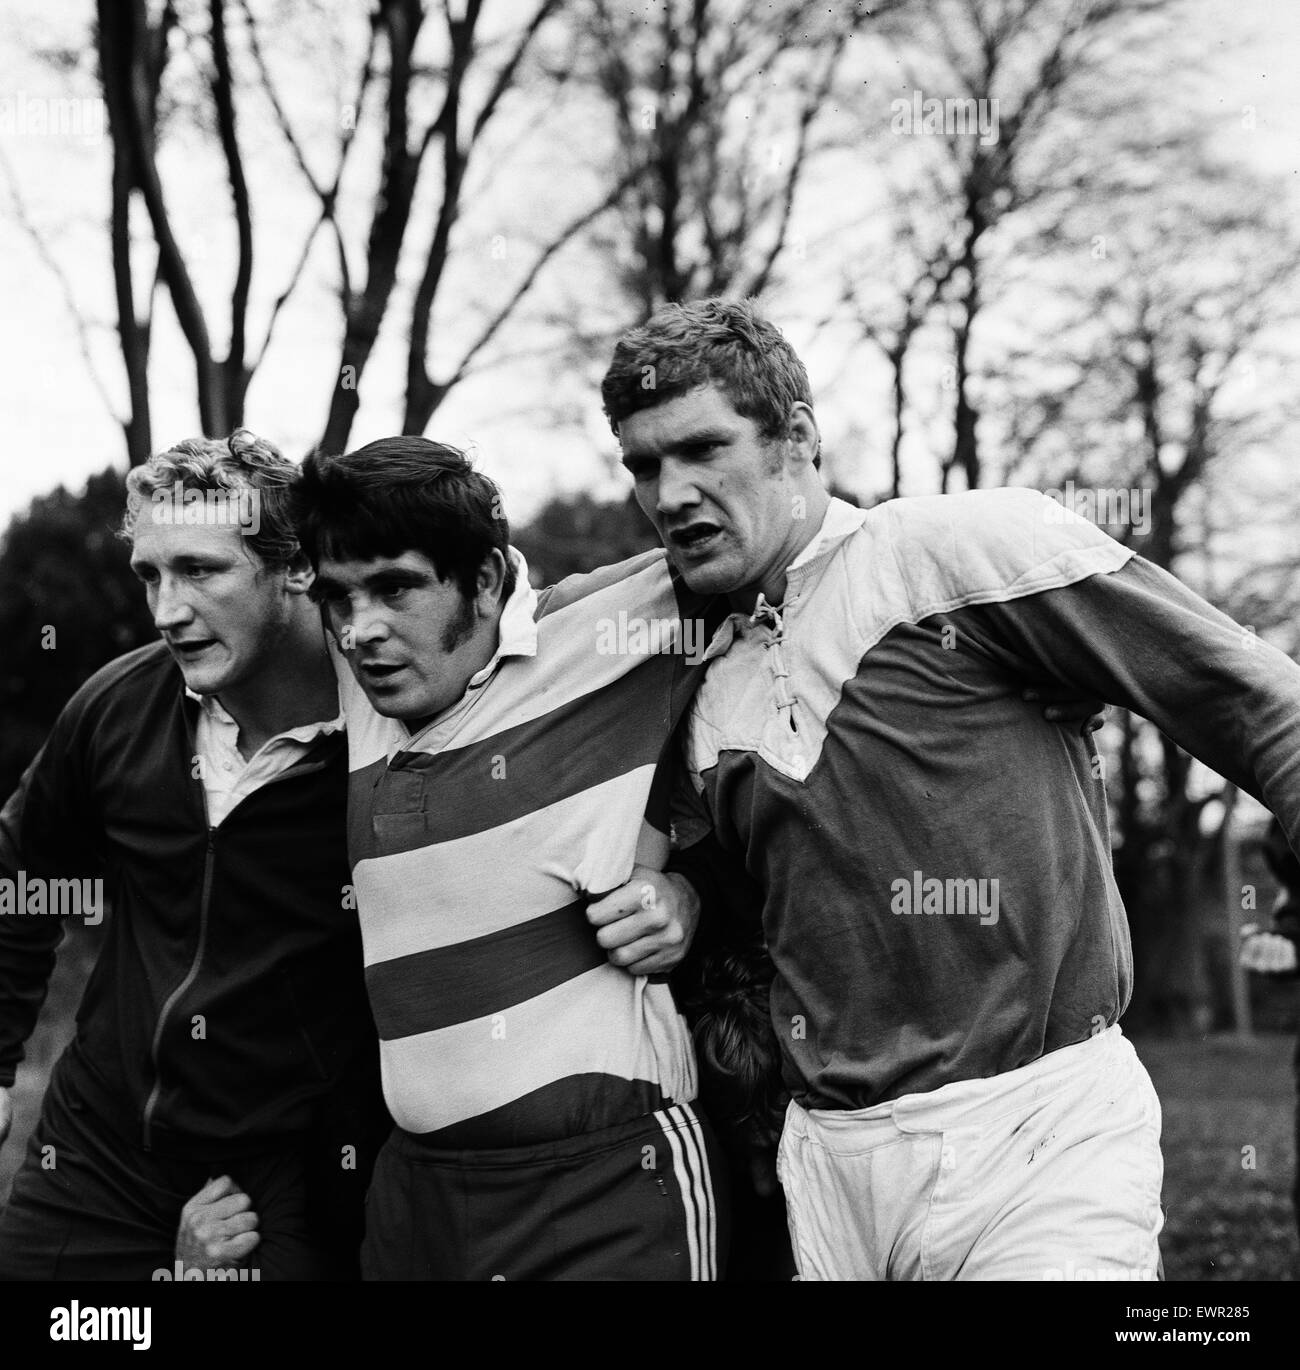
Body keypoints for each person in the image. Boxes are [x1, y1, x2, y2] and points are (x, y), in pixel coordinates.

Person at [599, 296, 1300, 1282]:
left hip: (1037, 1129)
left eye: (702, 448)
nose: (670, 492)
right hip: (824, 1165)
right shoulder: (691, 678)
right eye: (642, 463)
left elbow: (1255, 702)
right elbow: (750, 903)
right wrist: (682, 897)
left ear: (797, 438)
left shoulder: (961, 548)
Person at [290, 437, 728, 1280]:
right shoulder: (357, 678)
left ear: (487, 581)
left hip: (607, 1184)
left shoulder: (617, 625)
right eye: (340, 598)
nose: (361, 629)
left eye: (396, 589)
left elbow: (797, 561)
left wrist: (693, 889)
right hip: (416, 1196)